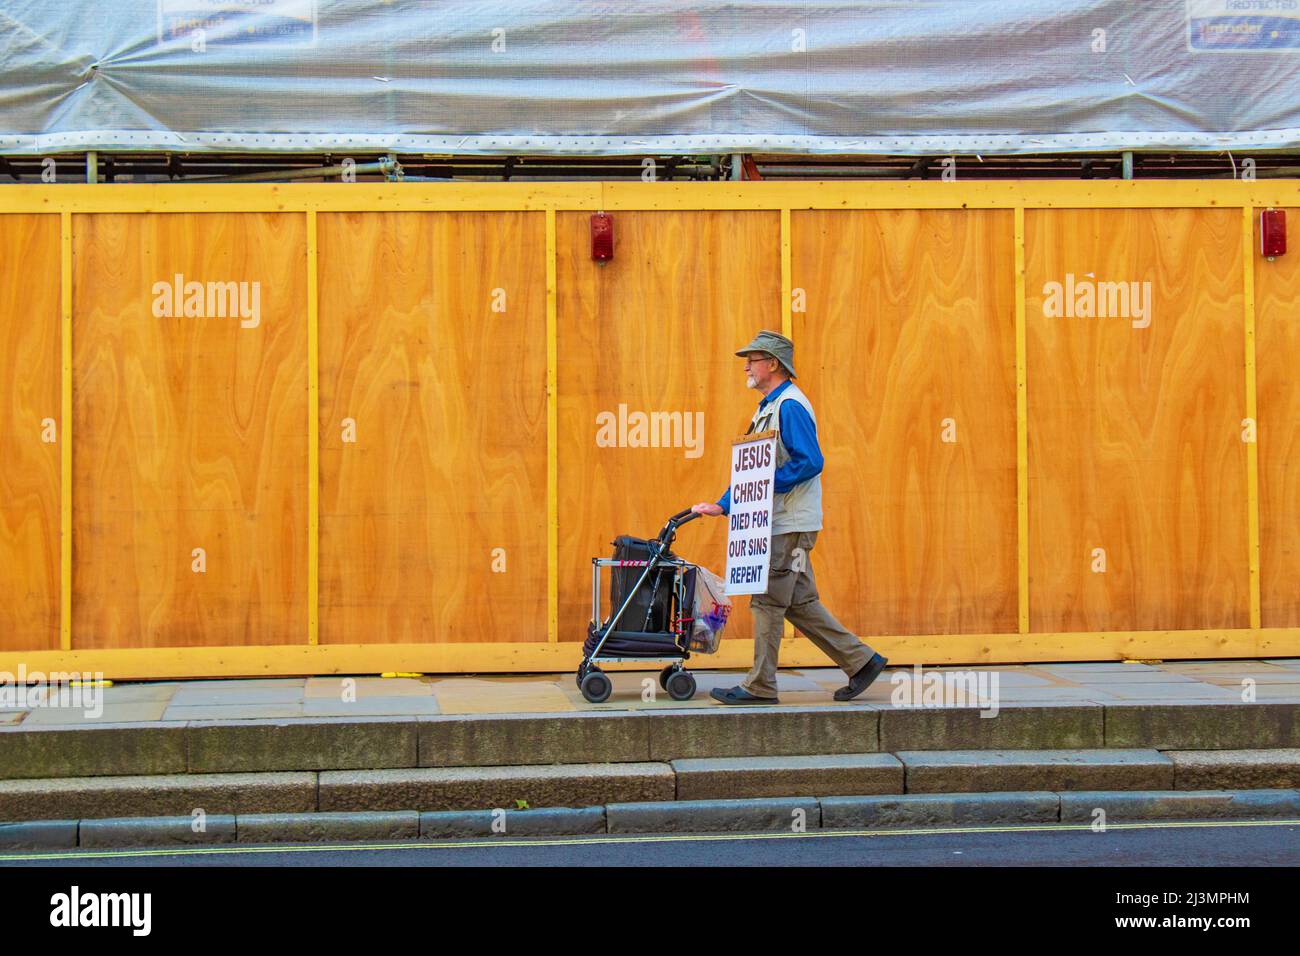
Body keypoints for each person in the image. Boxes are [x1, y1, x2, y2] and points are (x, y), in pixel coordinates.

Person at [691, 331, 888, 705]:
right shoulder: (771, 406)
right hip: (785, 522)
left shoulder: (789, 407)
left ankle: (760, 686)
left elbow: (810, 462)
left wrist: (765, 487)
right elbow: (757, 470)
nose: (746, 365)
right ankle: (861, 662)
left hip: (788, 525)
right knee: (798, 602)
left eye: (754, 358)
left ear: (774, 364)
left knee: (766, 601)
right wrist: (724, 503)